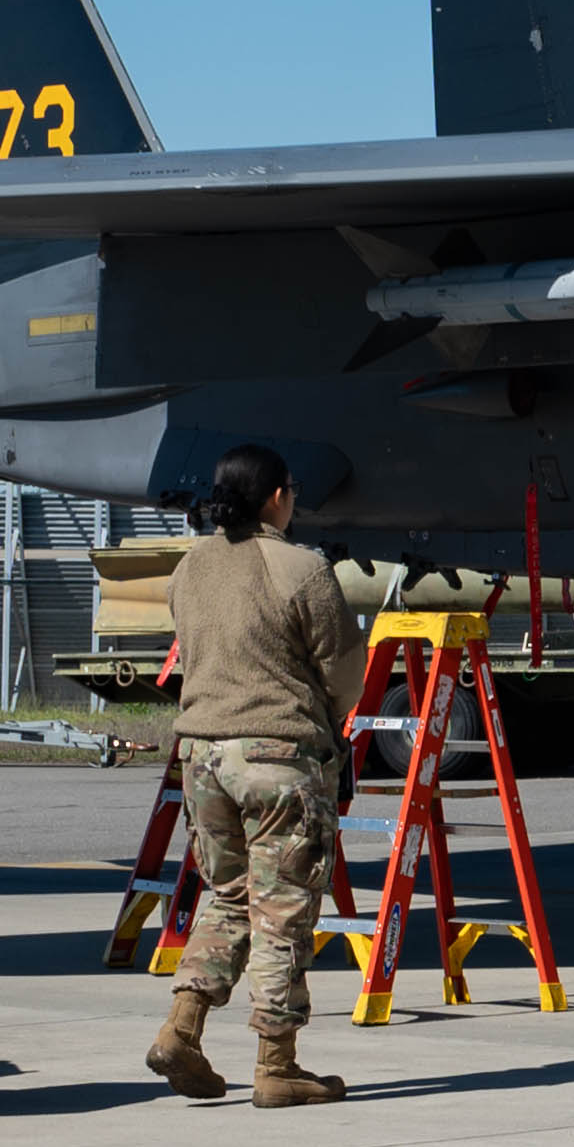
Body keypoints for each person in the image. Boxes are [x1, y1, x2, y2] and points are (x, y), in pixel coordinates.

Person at [147, 441, 364, 1108]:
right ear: (276, 497)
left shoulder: (190, 568)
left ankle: (182, 1027)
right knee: (284, 910)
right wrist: (328, 722)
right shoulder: (301, 567)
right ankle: (277, 1064)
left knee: (229, 896)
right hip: (277, 758)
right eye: (291, 491)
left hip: (202, 756)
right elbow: (344, 671)